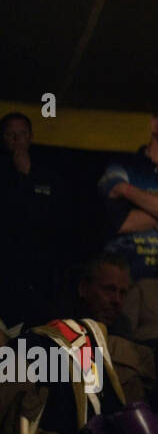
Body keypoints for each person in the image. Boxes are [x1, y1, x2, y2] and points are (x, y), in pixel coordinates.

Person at [98, 100, 158, 282]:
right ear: (154, 124)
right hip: (120, 280)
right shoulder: (123, 166)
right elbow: (118, 222)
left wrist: (127, 191)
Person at [1, 111, 67, 327]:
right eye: (11, 134)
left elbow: (53, 220)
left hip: (42, 275)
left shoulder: (49, 177)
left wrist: (28, 177)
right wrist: (21, 177)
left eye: (22, 134)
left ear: (31, 136)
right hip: (8, 272)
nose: (17, 140)